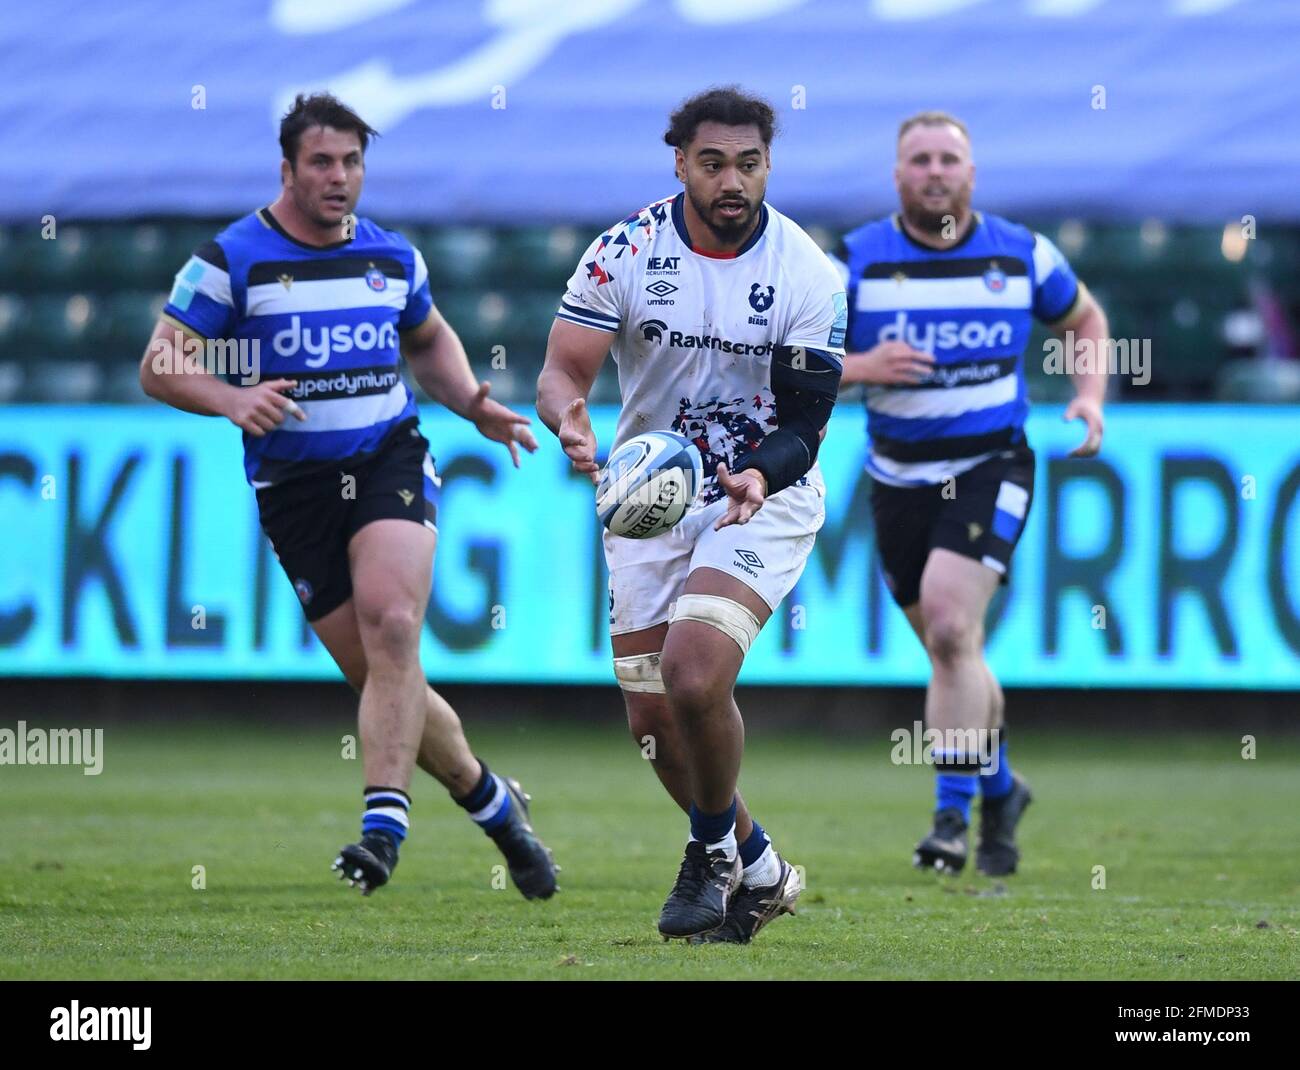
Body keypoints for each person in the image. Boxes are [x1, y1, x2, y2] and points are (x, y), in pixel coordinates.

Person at [139, 92, 557, 899]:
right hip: (294, 490)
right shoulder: (231, 259)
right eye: (322, 162)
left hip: (387, 459)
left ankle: (383, 829)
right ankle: (496, 806)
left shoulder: (391, 257)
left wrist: (471, 403)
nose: (339, 177)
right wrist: (231, 398)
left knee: (394, 623)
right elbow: (159, 362)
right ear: (287, 169)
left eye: (353, 162)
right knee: (386, 679)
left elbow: (428, 339)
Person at [536, 87, 845, 941]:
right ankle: (763, 869)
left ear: (768, 166)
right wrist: (567, 418)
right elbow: (562, 373)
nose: (732, 181)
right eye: (713, 163)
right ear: (680, 164)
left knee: (696, 674)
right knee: (651, 721)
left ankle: (709, 854)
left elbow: (807, 424)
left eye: (749, 163)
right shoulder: (624, 252)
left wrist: (759, 476)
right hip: (649, 499)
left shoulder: (806, 272)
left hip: (761, 496)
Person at [832, 111, 1109, 875]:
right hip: (896, 478)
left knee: (953, 629)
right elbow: (792, 358)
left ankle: (950, 818)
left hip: (993, 465)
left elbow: (1085, 320)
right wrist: (863, 368)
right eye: (919, 160)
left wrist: (1089, 398)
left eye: (948, 159)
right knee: (952, 649)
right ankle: (1002, 788)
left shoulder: (1022, 254)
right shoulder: (853, 261)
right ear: (897, 175)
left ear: (972, 173)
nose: (935, 172)